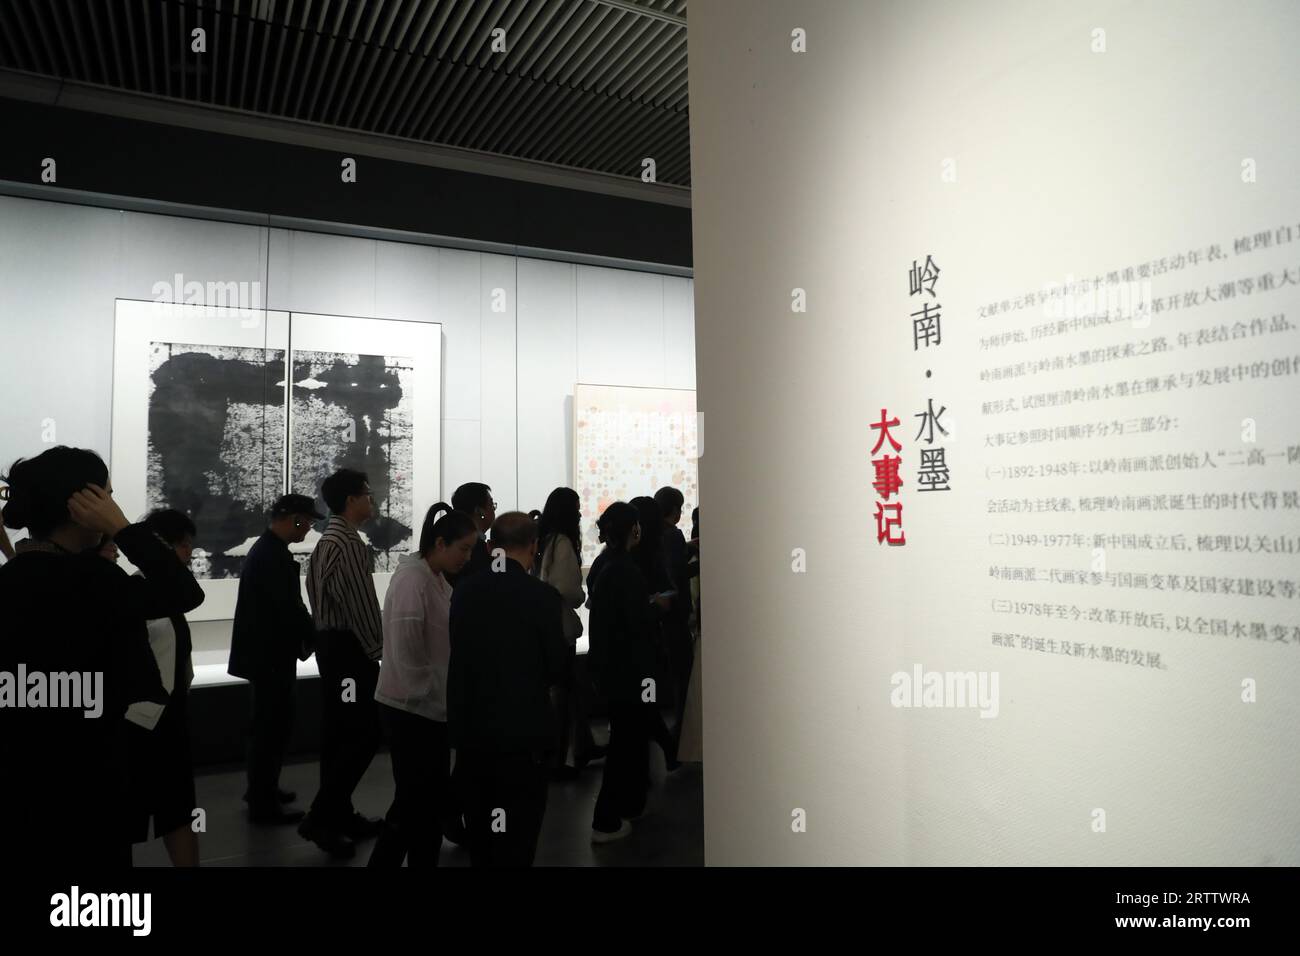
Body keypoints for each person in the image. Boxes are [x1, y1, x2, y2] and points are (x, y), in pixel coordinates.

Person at [0, 446, 203, 867]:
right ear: (83, 509)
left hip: (21, 787)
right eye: (107, 497)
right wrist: (124, 529)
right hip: (91, 785)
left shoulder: (12, 578)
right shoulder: (96, 581)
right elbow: (185, 592)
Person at [447, 511, 569, 866]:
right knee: (519, 836)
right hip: (523, 734)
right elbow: (556, 666)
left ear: (490, 546)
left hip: (473, 733)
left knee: (483, 836)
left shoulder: (465, 591)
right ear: (533, 547)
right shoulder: (542, 597)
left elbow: (458, 651)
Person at [368, 503, 478, 867]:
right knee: (415, 800)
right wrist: (431, 692)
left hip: (423, 707)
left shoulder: (432, 578)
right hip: (410, 709)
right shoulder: (414, 580)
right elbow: (407, 649)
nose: (468, 557)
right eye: (463, 549)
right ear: (441, 543)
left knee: (421, 801)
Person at [299, 469, 385, 859]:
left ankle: (338, 813)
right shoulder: (346, 544)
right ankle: (321, 816)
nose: (373, 500)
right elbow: (359, 605)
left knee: (340, 736)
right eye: (367, 493)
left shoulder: (329, 541)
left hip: (335, 648)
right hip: (349, 651)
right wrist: (377, 649)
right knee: (363, 735)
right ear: (351, 500)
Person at [228, 494, 322, 825]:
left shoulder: (268, 551)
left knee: (269, 726)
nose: (308, 528)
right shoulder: (272, 556)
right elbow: (287, 609)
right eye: (304, 521)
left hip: (266, 654)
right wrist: (314, 633)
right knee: (272, 727)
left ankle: (262, 789)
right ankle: (262, 801)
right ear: (288, 517)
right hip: (270, 656)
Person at [124, 508, 202, 866]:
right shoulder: (137, 592)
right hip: (143, 721)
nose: (189, 553)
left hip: (168, 717)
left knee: (178, 810)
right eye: (184, 545)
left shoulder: (164, 595)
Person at [586, 501, 668, 842]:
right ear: (633, 529)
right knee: (624, 745)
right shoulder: (623, 569)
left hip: (613, 670)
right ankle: (605, 818)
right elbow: (634, 624)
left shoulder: (606, 565)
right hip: (629, 672)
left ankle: (626, 807)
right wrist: (655, 607)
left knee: (628, 740)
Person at [533, 487, 592, 779]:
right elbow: (568, 590)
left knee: (556, 696)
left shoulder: (542, 539)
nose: (580, 513)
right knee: (564, 698)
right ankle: (562, 759)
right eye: (577, 507)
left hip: (541, 630)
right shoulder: (563, 543)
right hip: (560, 630)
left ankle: (559, 755)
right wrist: (580, 597)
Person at [629, 495, 679, 770]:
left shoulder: (620, 560)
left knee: (642, 706)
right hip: (649, 641)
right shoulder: (654, 552)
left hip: (631, 647)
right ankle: (668, 751)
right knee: (648, 703)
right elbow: (669, 591)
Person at [654, 486, 694, 741]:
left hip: (661, 618)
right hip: (677, 616)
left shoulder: (655, 533)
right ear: (675, 510)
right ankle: (683, 728)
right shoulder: (674, 534)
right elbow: (679, 572)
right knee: (683, 674)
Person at [443, 482, 495, 590]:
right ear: (479, 511)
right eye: (491, 504)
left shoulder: (450, 544)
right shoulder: (479, 550)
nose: (494, 509)